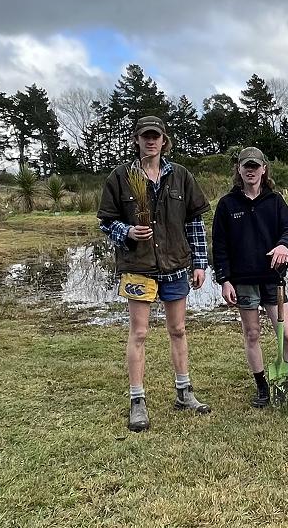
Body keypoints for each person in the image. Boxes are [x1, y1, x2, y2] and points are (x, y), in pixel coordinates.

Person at [97, 116, 211, 433]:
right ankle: (137, 401)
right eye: (145, 136)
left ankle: (184, 392)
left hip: (175, 266)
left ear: (164, 141)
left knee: (177, 329)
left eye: (156, 137)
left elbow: (194, 224)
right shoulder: (120, 177)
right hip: (139, 268)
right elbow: (105, 221)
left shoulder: (182, 176)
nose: (150, 141)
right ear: (136, 140)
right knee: (140, 333)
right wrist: (128, 231)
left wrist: (200, 263)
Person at [212, 146, 288, 407]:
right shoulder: (227, 205)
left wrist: (284, 245)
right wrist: (224, 279)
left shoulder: (275, 201)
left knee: (287, 334)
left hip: (274, 279)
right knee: (252, 333)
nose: (251, 170)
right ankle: (262, 386)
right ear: (239, 169)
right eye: (246, 166)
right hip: (243, 281)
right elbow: (220, 246)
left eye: (255, 166)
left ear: (264, 169)